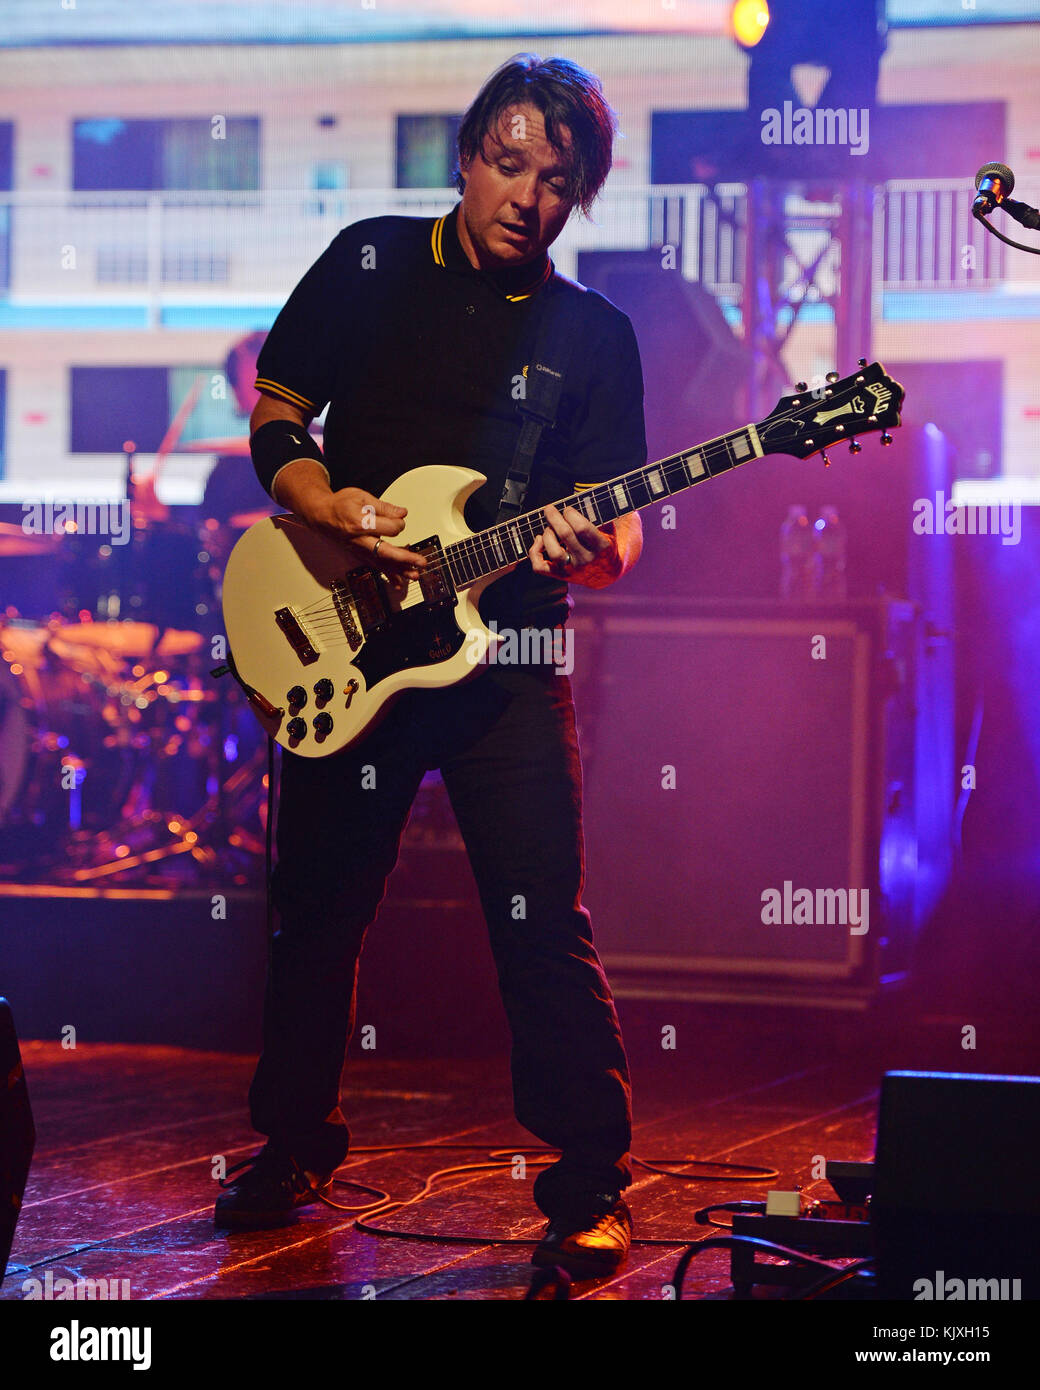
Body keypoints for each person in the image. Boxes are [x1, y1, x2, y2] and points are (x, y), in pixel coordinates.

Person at [215, 54, 647, 1280]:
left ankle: (587, 1182)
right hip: (347, 640)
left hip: (505, 652)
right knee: (316, 913)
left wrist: (591, 553)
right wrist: (328, 503)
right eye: (504, 164)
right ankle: (291, 1146)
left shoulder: (593, 337)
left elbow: (618, 534)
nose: (523, 194)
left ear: (580, 196)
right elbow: (277, 414)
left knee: (541, 921)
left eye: (553, 180)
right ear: (463, 157)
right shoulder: (371, 262)